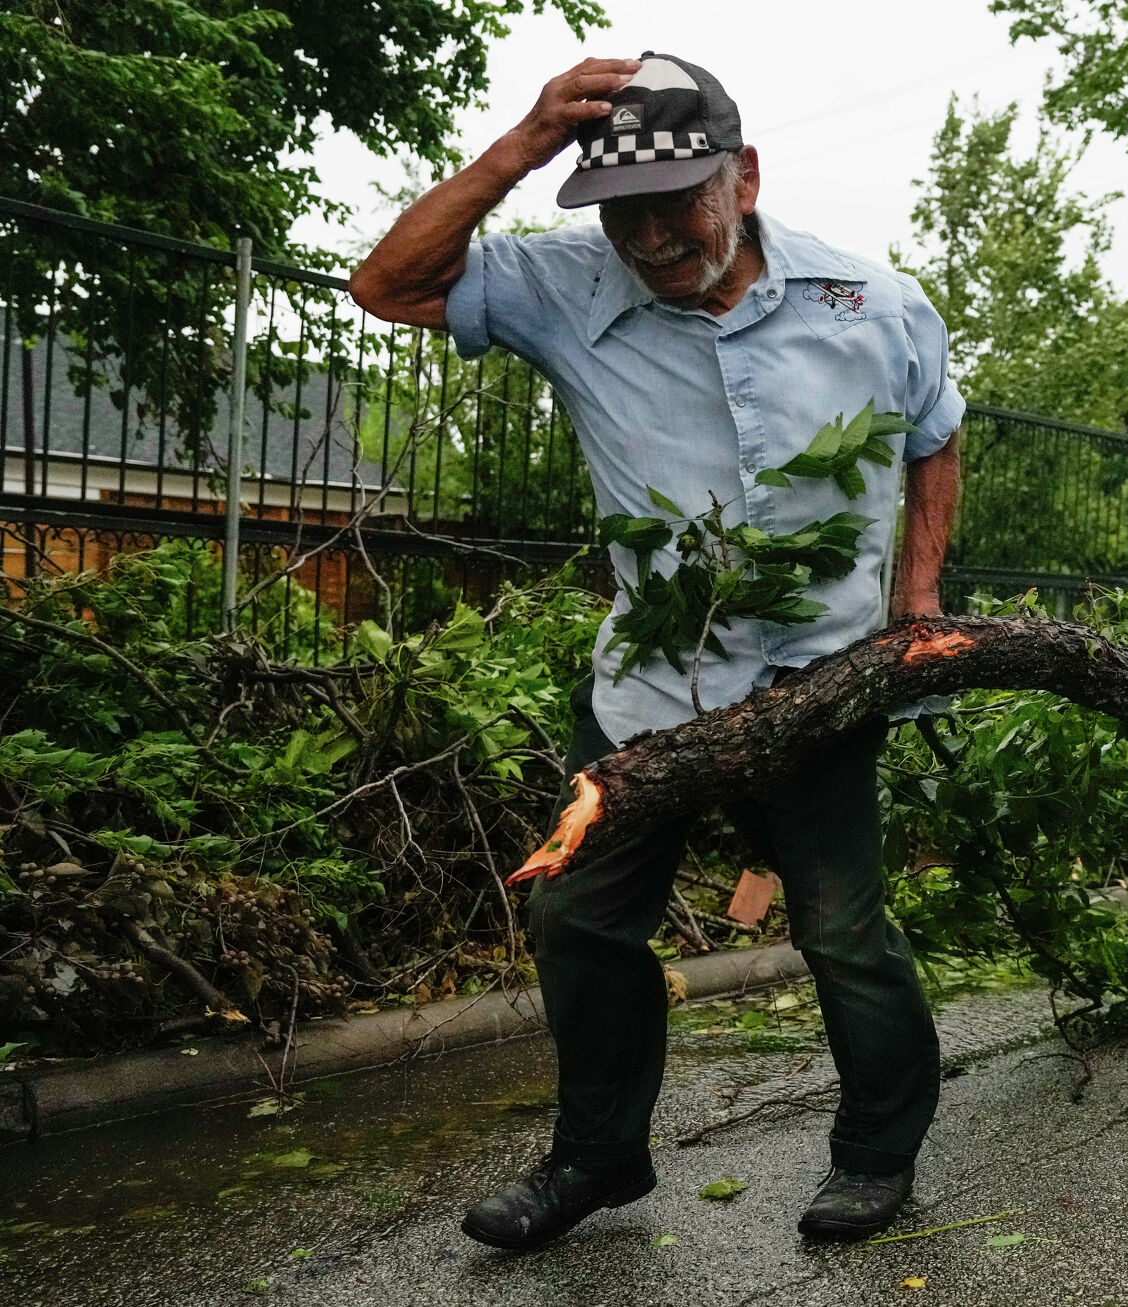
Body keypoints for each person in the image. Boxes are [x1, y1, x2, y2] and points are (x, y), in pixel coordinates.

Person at [349, 52, 964, 1249]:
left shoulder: (870, 301)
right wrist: (525, 142)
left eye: (676, 200)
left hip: (819, 686)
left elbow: (934, 431)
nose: (648, 234)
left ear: (743, 177)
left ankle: (876, 1154)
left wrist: (920, 592)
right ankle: (597, 1157)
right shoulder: (560, 287)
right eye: (621, 209)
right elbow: (385, 282)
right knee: (577, 918)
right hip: (649, 692)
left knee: (842, 928)